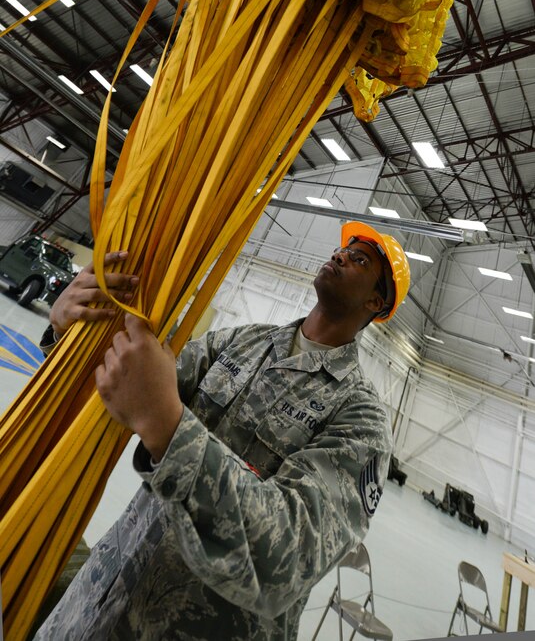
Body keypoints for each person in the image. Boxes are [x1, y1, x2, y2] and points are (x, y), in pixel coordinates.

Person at [35, 220, 410, 641]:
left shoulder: (361, 419)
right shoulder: (242, 342)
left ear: (376, 302)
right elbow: (125, 393)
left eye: (359, 260)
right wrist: (71, 335)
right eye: (343, 249)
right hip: (98, 600)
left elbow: (286, 555)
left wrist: (169, 429)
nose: (340, 255)